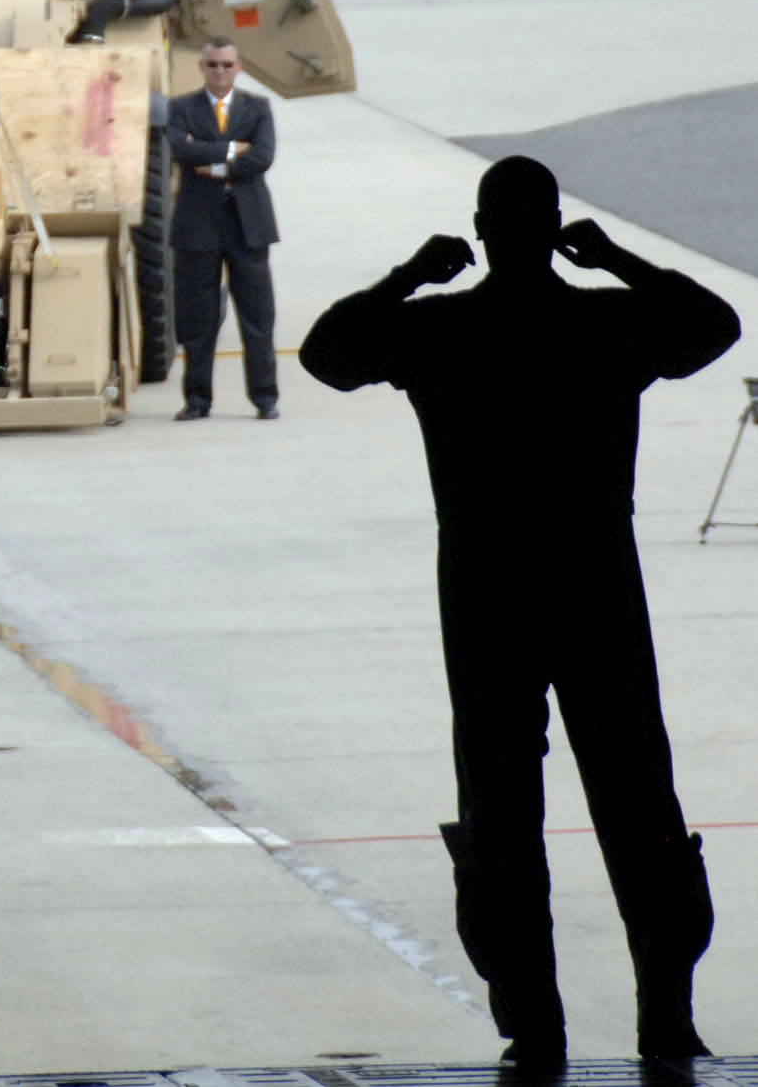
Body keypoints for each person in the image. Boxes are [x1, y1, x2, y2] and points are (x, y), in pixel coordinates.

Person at [300, 156, 739, 1067]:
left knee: (500, 811)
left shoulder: (443, 329)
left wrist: (410, 275)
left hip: (486, 590)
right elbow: (714, 325)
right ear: (554, 231)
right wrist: (616, 258)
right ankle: (665, 1012)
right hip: (595, 583)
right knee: (637, 798)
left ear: (481, 232)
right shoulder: (606, 322)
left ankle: (534, 1026)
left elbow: (327, 354)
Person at [169, 36, 278, 419]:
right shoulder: (181, 107)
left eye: (227, 64)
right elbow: (180, 151)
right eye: (213, 64)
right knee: (198, 319)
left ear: (239, 67)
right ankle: (197, 400)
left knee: (257, 316)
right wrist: (235, 149)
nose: (220, 71)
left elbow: (263, 156)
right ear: (202, 67)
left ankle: (265, 398)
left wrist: (214, 163)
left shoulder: (258, 107)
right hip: (198, 225)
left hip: (248, 224)